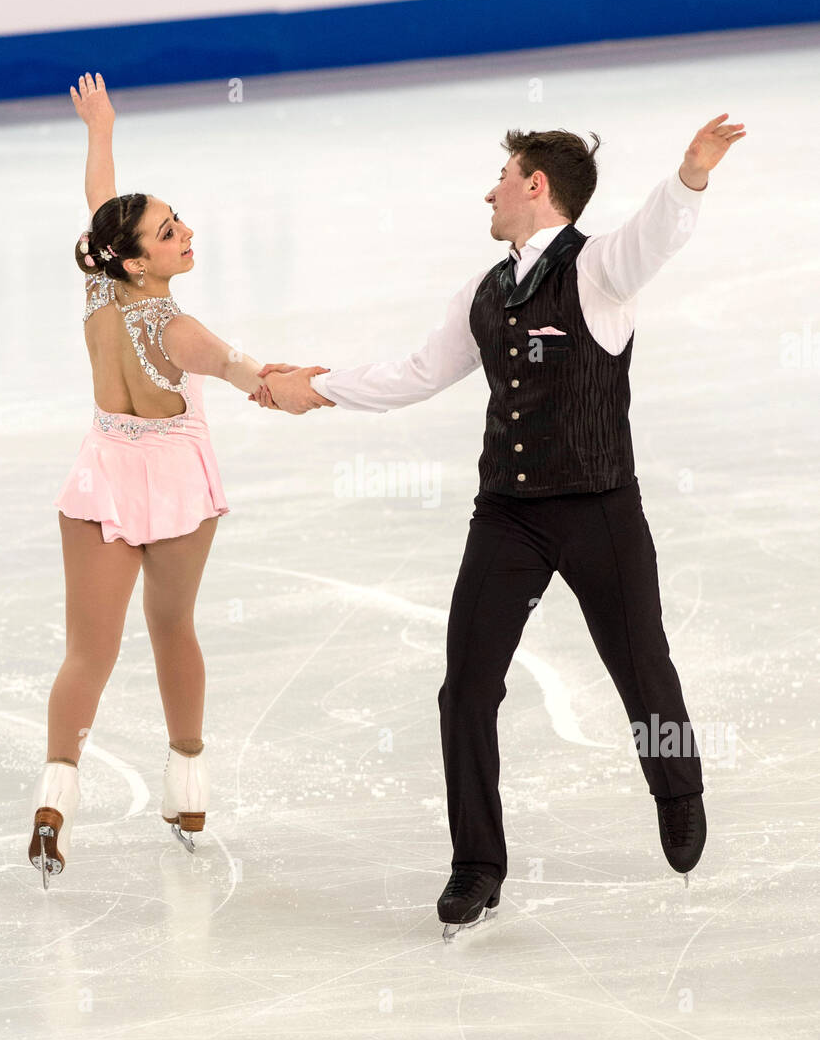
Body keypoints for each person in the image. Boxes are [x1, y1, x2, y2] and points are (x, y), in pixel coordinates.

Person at [252, 114, 746, 936]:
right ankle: (477, 862)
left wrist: (691, 173)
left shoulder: (599, 269)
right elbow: (416, 374)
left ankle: (678, 788)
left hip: (599, 509)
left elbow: (658, 234)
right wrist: (318, 386)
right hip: (509, 516)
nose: (490, 189)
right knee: (466, 690)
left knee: (641, 667)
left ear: (536, 186)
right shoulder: (483, 292)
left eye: (502, 176)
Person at [28, 71, 327, 887]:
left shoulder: (100, 286)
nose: (186, 232)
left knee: (87, 654)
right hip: (173, 487)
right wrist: (283, 384)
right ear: (136, 258)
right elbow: (235, 366)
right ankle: (188, 788)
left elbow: (101, 206)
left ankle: (55, 798)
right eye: (168, 231)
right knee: (172, 631)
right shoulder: (176, 324)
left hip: (101, 480)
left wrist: (101, 131)